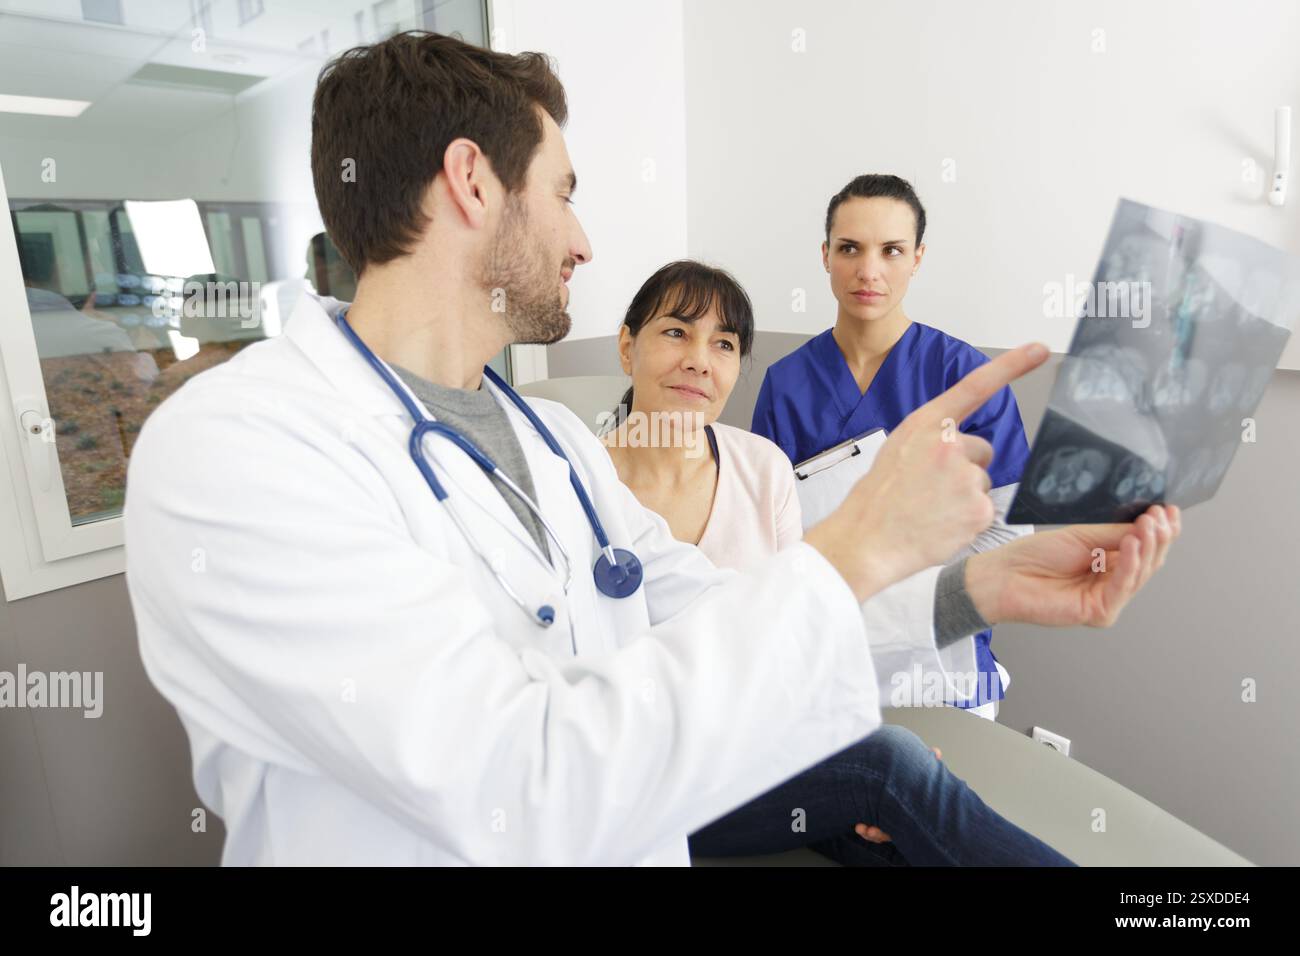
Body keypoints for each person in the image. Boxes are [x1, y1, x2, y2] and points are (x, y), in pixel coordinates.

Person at [124, 30, 1180, 866]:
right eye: (567, 190)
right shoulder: (237, 449)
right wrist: (858, 540)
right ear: (472, 182)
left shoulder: (551, 444)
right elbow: (514, 780)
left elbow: (722, 613)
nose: (584, 239)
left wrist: (980, 588)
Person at [601, 258, 1073, 865]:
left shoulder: (762, 466)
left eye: (723, 343)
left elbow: (800, 640)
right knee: (892, 770)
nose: (699, 358)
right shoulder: (578, 481)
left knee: (903, 825)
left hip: (765, 753)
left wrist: (852, 745)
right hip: (648, 780)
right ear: (625, 346)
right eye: (675, 332)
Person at [753, 175, 1031, 718]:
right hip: (825, 662)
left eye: (892, 250)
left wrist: (895, 590)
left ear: (918, 258)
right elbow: (770, 533)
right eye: (850, 248)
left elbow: (1009, 534)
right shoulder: (786, 384)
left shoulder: (966, 376)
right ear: (826, 255)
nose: (869, 270)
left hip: (939, 658)